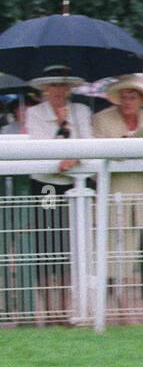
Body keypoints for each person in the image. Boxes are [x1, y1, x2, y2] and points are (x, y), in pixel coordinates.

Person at [92, 75, 143, 321]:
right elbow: (96, 157)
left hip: (139, 192)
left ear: (142, 99)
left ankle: (124, 308)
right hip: (113, 193)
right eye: (124, 96)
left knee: (131, 252)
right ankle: (119, 308)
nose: (127, 101)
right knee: (111, 253)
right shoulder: (102, 119)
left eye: (132, 96)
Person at [25, 65, 93, 324]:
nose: (58, 90)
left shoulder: (81, 111)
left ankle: (66, 309)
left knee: (69, 244)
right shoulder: (35, 113)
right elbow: (39, 147)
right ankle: (49, 310)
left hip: (74, 183)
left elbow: (88, 142)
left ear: (69, 88)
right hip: (47, 185)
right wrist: (61, 128)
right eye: (53, 85)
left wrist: (74, 157)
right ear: (45, 88)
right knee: (46, 243)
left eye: (62, 85)